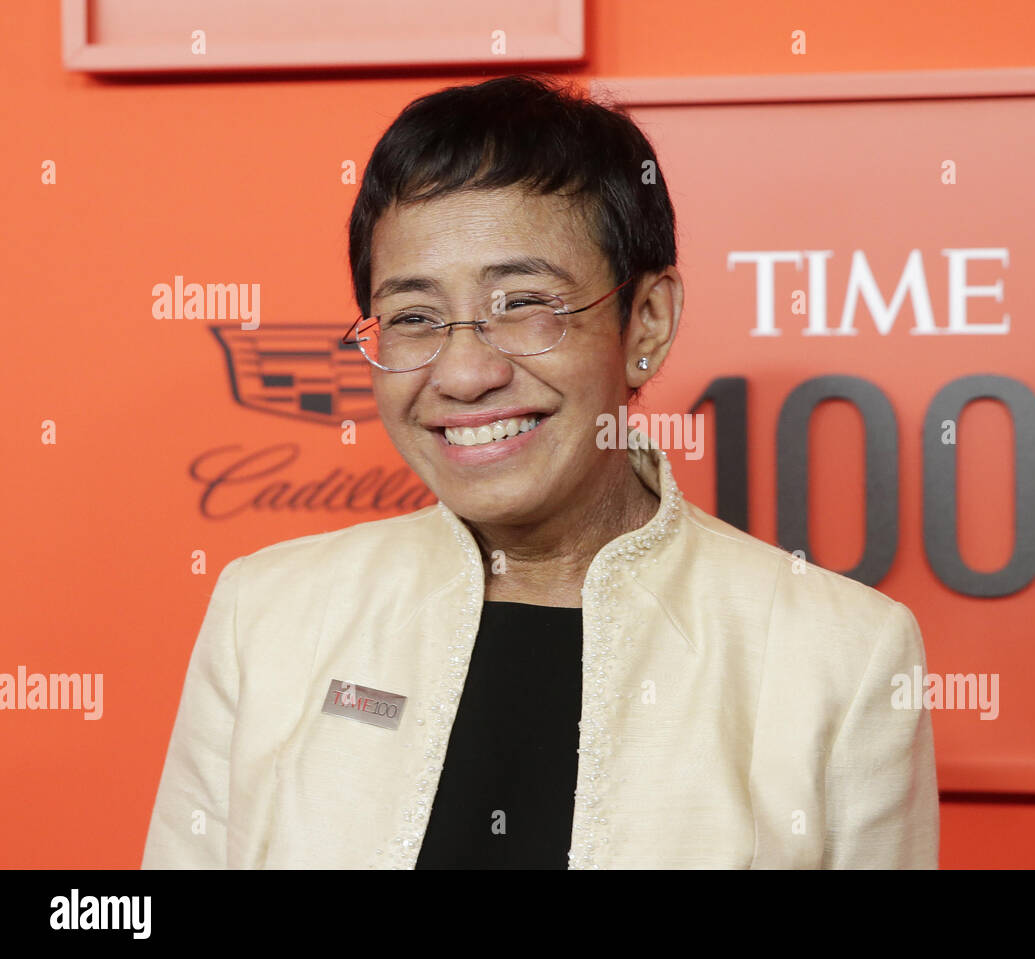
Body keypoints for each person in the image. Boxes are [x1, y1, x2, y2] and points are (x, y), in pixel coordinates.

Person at [141, 73, 939, 869]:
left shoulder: (841, 655)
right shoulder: (268, 615)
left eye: (523, 303)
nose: (463, 372)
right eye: (414, 318)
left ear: (647, 322)